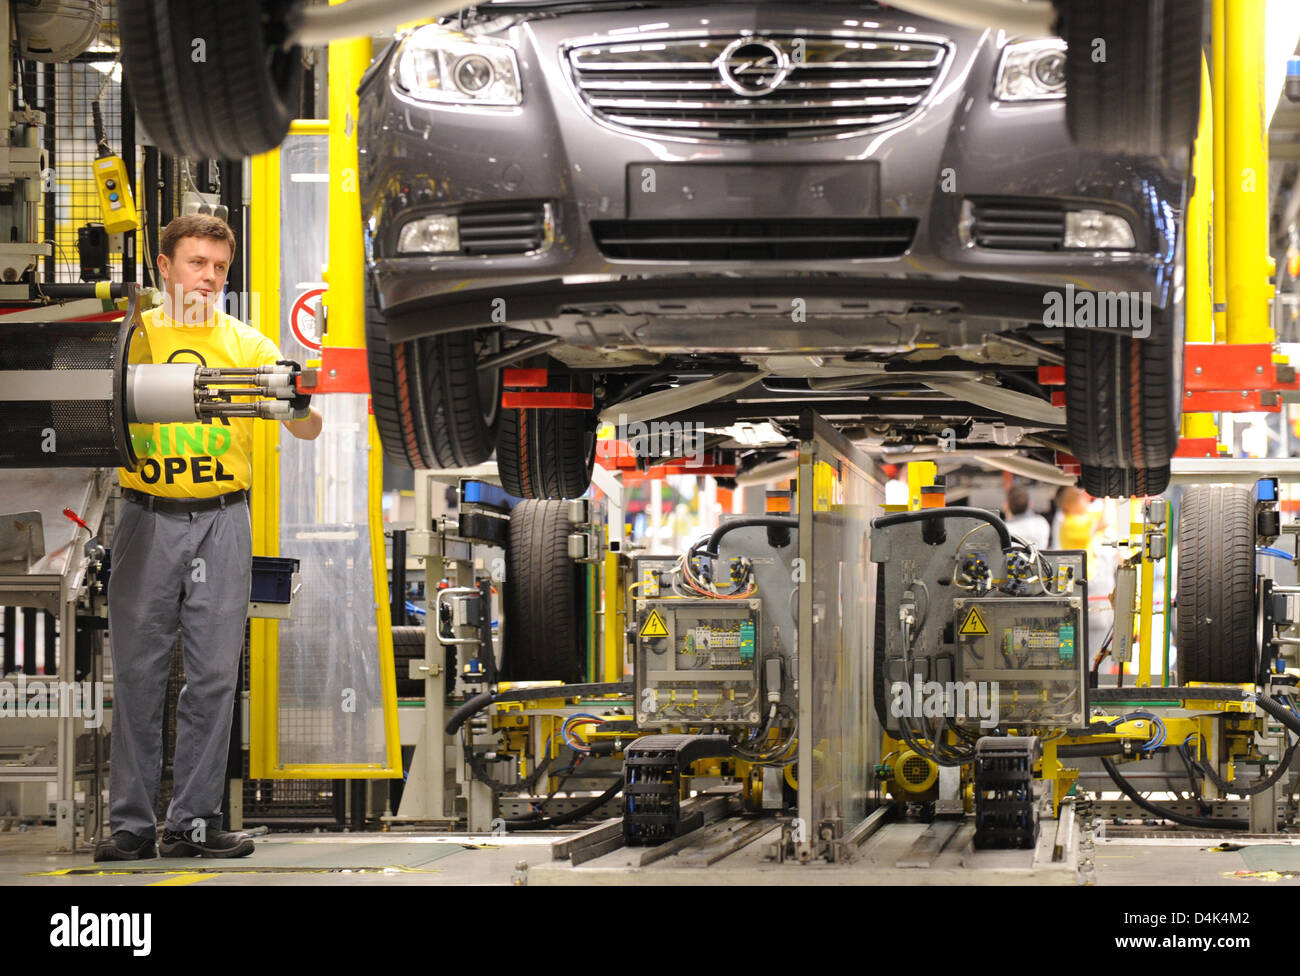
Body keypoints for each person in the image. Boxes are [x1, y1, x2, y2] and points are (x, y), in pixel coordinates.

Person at [95, 215, 322, 861]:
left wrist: (297, 401)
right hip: (145, 515)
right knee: (138, 675)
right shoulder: (130, 340)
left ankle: (194, 821)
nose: (210, 277)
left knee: (215, 675)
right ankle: (132, 826)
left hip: (223, 518)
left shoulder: (248, 345)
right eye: (197, 263)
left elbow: (306, 426)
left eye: (220, 267)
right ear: (165, 267)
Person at [1003, 484, 1050, 550]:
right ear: (1030, 504)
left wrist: (1007, 515)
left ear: (1007, 505)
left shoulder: (1006, 529)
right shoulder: (1041, 522)